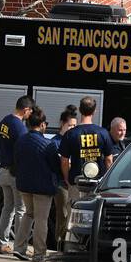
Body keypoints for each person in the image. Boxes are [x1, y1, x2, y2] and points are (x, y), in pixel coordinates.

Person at [13, 110, 60, 262]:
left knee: (28, 214)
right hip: (43, 187)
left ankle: (19, 247)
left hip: (24, 185)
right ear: (42, 125)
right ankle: (39, 253)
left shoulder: (20, 140)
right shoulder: (48, 144)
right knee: (41, 219)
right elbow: (55, 166)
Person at [0, 94, 34, 255]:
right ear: (25, 110)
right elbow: (24, 151)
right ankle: (20, 246)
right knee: (21, 210)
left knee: (7, 208)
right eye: (30, 111)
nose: (30, 114)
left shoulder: (5, 121)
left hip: (3, 170)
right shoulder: (20, 128)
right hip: (15, 173)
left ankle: (2, 244)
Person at [59, 96, 114, 210]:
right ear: (95, 111)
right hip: (97, 183)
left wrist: (67, 179)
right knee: (94, 213)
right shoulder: (103, 133)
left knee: (74, 214)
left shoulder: (70, 134)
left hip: (76, 181)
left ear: (79, 110)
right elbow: (109, 160)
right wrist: (107, 181)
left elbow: (64, 161)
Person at [51, 105, 78, 247]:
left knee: (73, 217)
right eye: (70, 125)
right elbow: (60, 165)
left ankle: (69, 245)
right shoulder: (55, 142)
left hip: (73, 184)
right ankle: (59, 245)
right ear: (62, 124)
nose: (72, 128)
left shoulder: (74, 140)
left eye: (75, 125)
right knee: (62, 216)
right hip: (61, 184)